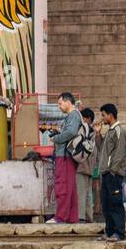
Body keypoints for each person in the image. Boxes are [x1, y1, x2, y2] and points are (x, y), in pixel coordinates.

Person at [97, 103, 126, 242]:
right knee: (106, 204)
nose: (102, 118)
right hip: (105, 173)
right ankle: (109, 232)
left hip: (113, 174)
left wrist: (113, 171)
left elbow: (120, 154)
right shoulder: (109, 132)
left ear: (110, 115)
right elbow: (101, 149)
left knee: (115, 203)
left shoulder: (119, 131)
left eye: (103, 115)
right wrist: (97, 133)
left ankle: (119, 233)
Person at [50, 91, 81, 224]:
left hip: (64, 156)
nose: (59, 107)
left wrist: (55, 138)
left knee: (62, 186)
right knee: (70, 188)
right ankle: (72, 217)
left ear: (68, 102)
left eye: (60, 103)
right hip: (68, 156)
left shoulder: (73, 115)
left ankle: (61, 217)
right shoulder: (75, 115)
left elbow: (71, 132)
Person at [74, 107, 97, 223]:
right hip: (89, 167)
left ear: (87, 118)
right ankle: (89, 217)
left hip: (82, 167)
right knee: (88, 194)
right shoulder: (93, 132)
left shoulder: (86, 131)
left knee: (81, 193)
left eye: (82, 118)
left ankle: (81, 217)